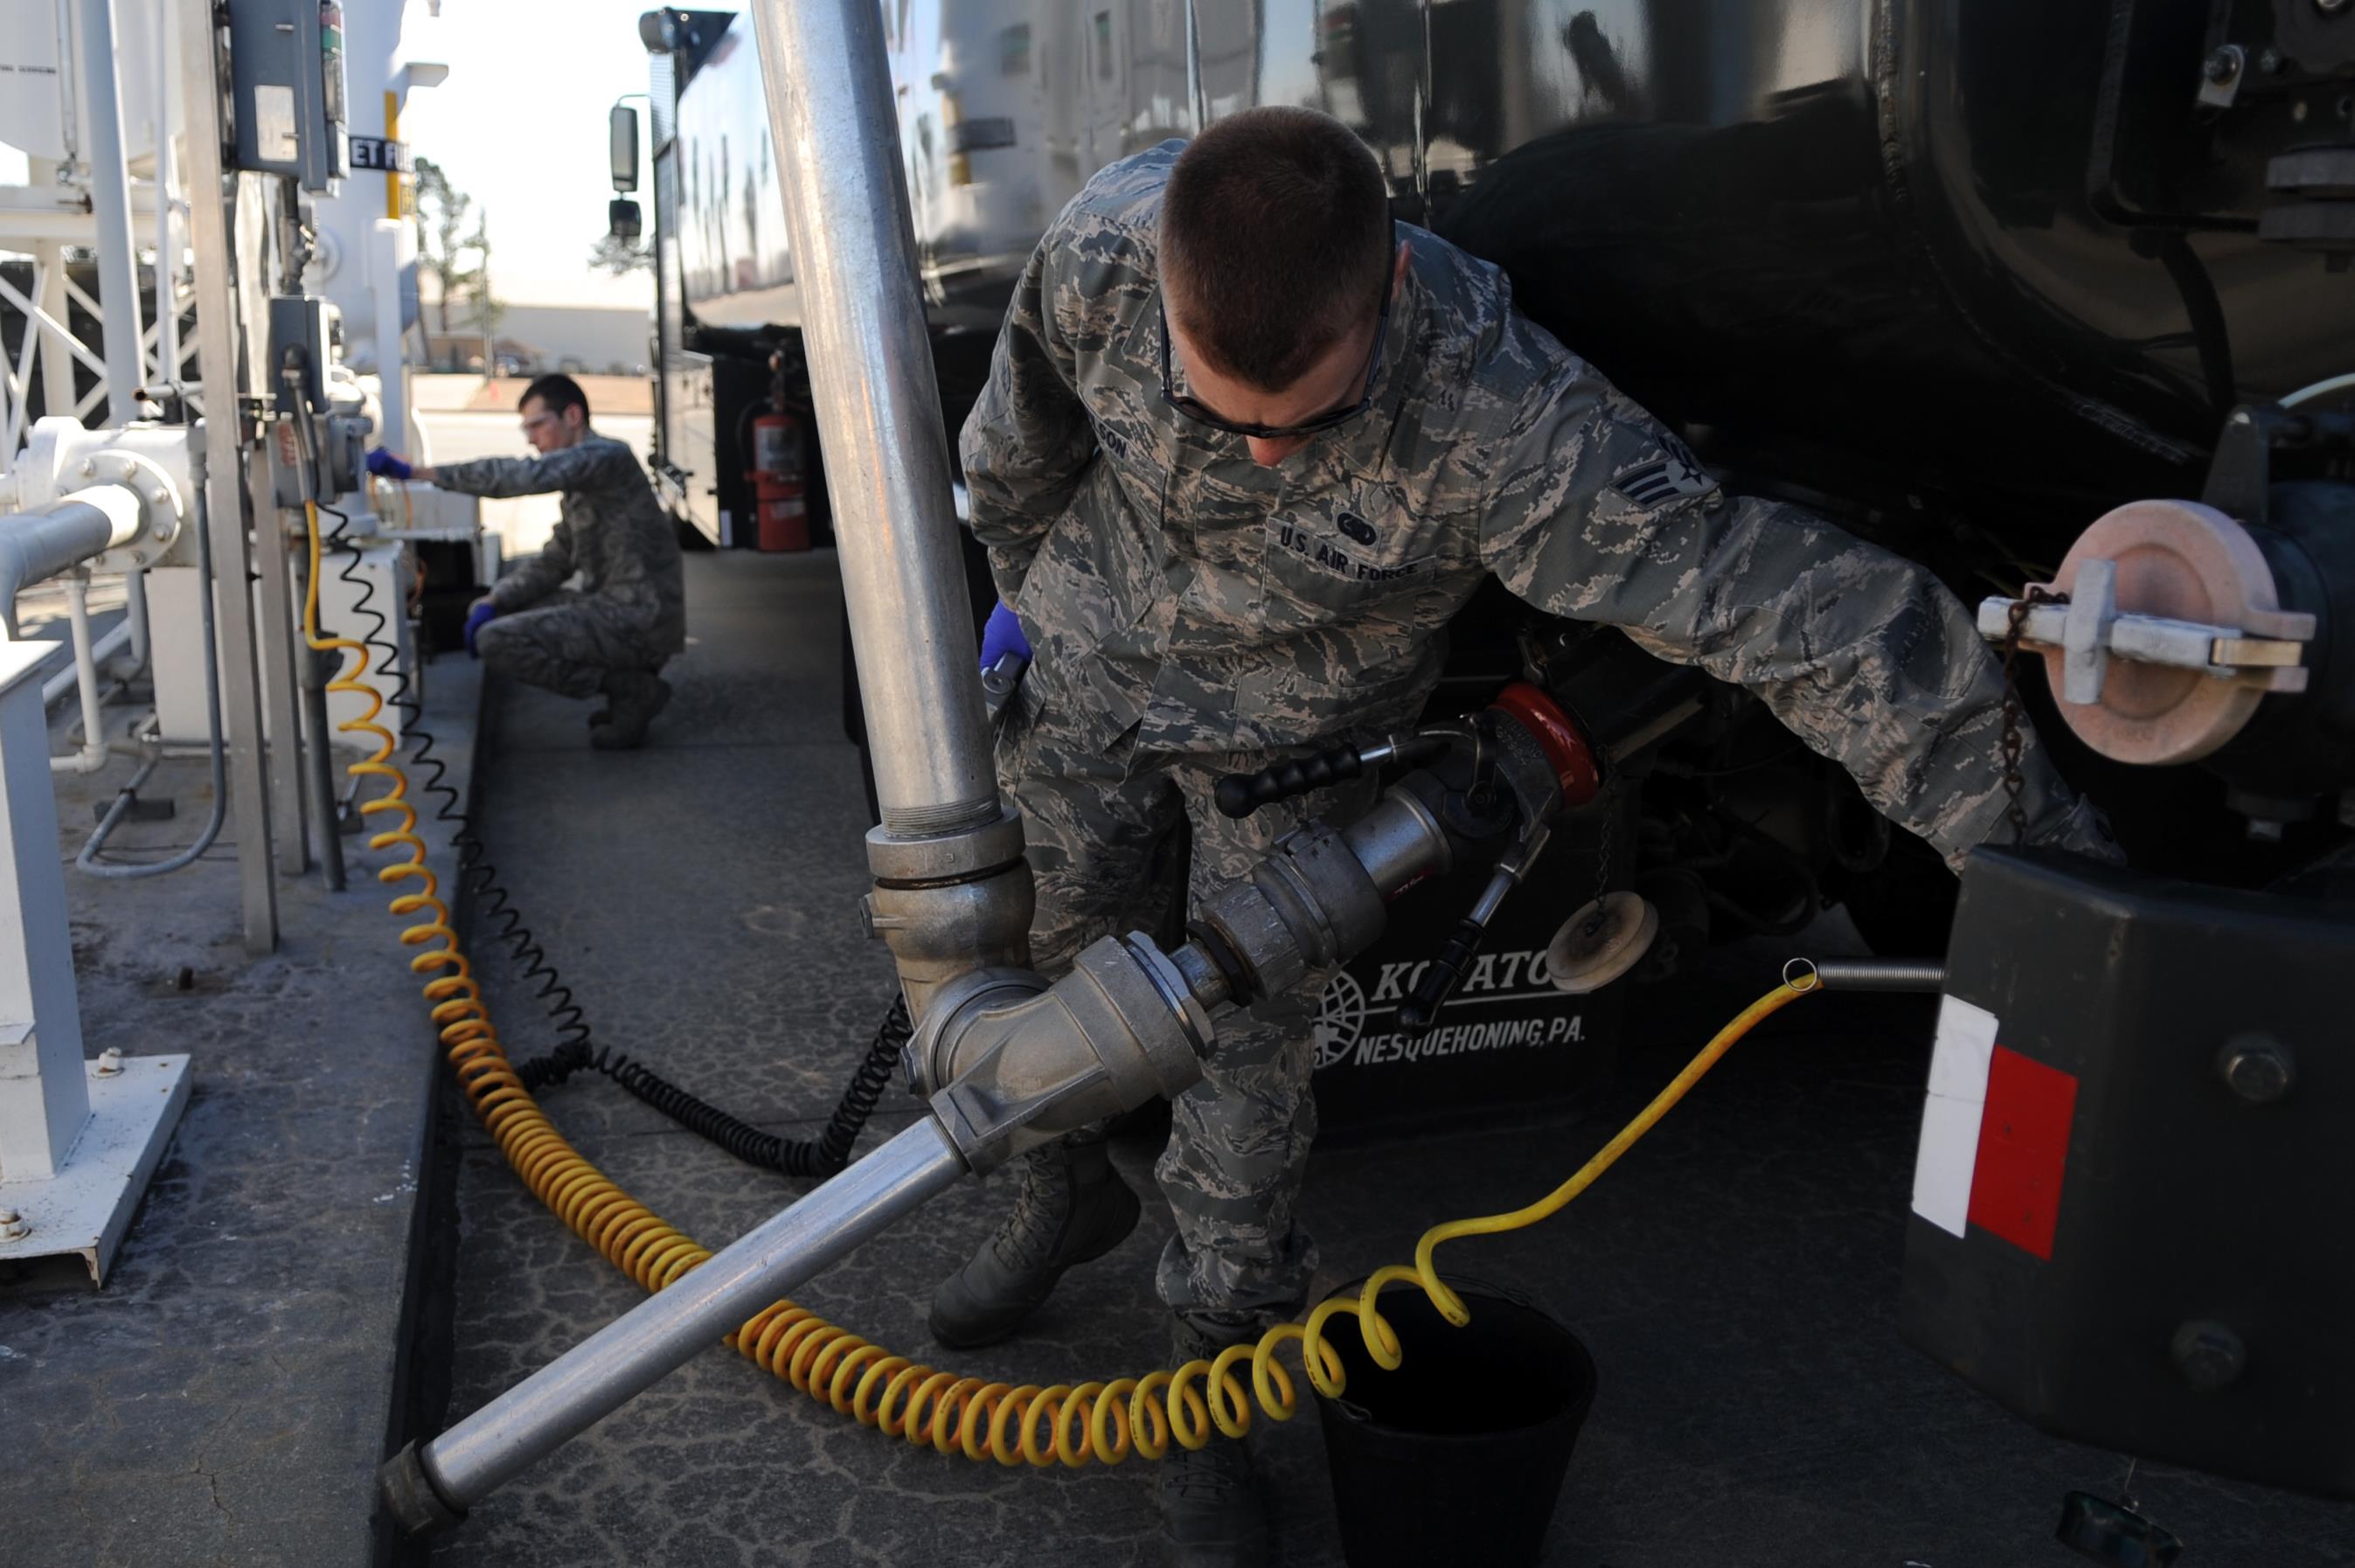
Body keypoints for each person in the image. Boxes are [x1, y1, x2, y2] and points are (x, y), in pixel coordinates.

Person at [950, 107, 2115, 1566]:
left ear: (1386, 288)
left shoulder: (1501, 418)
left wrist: (2057, 891)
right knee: (1040, 945)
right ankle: (1056, 1185)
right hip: (1086, 668)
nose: (1254, 449)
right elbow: (1018, 444)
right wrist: (1026, 598)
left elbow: (1799, 619)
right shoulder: (1106, 247)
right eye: (1217, 405)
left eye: (1298, 418)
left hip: (1288, 731)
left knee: (1241, 1045)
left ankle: (1209, 1384)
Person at [366, 374, 684, 749]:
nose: (532, 439)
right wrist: (494, 599)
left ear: (573, 416)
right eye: (526, 429)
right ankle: (628, 685)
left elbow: (523, 476)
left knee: (497, 640)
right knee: (497, 614)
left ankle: (630, 689)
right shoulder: (586, 483)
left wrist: (420, 473)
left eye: (537, 425)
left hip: (640, 619)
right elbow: (556, 560)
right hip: (614, 609)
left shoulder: (607, 458)